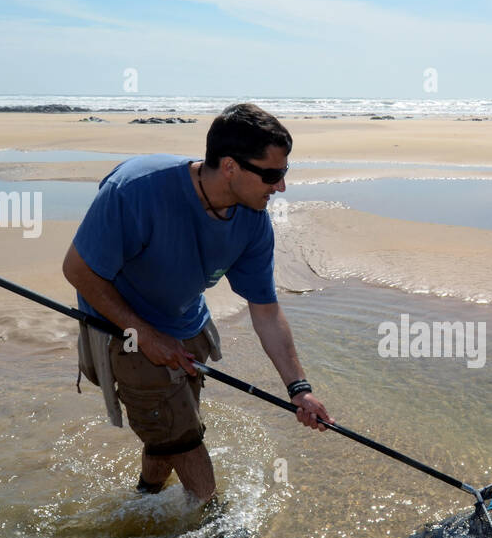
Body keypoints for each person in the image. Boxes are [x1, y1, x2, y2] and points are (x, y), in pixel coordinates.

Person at [63, 102, 331, 503]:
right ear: (229, 166)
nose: (281, 187)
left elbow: (267, 312)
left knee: (170, 429)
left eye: (284, 173)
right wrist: (145, 334)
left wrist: (300, 389)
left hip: (187, 324)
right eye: (272, 175)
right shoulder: (136, 190)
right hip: (123, 329)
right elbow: (77, 270)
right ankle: (216, 526)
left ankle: (143, 497)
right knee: (184, 438)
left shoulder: (253, 219)